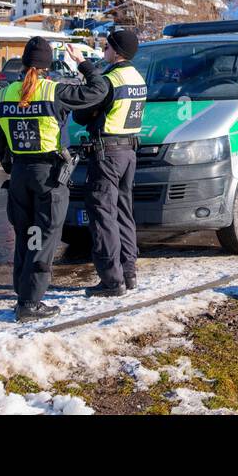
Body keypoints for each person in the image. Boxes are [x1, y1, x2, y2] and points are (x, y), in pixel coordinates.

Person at [0, 36, 110, 322]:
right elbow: (99, 90)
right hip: (49, 176)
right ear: (47, 65)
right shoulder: (53, 90)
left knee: (27, 236)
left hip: (20, 174)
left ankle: (23, 295)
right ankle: (30, 303)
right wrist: (83, 63)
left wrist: (11, 165)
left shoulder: (5, 94)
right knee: (43, 238)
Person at [73, 28, 148, 297]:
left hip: (107, 154)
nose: (103, 51)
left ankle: (111, 281)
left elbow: (82, 115)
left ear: (116, 51)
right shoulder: (137, 78)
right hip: (129, 152)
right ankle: (129, 273)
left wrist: (82, 67)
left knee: (103, 215)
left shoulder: (111, 79)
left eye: (106, 47)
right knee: (123, 212)